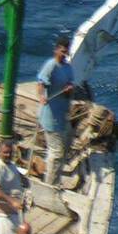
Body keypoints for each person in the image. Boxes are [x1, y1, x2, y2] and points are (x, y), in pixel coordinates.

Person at [37, 34, 76, 186]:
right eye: (62, 50)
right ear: (56, 50)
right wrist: (41, 97)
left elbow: (71, 85)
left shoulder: (68, 68)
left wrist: (69, 89)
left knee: (65, 148)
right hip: (50, 117)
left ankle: (56, 179)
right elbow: (41, 83)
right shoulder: (50, 65)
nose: (64, 53)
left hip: (63, 115)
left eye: (66, 51)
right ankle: (49, 184)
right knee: (57, 152)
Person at [0, 139, 28, 234]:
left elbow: (17, 176)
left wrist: (24, 179)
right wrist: (12, 201)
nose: (8, 155)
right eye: (5, 152)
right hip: (4, 216)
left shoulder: (11, 165)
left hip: (15, 213)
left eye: (10, 152)